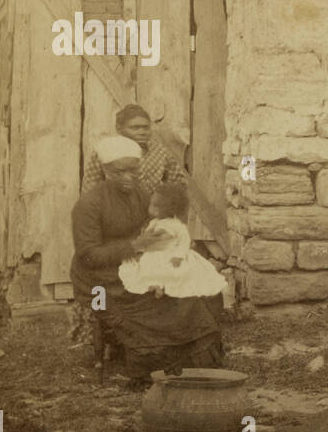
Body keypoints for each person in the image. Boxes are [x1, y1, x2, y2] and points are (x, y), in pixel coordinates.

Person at [70, 136, 223, 383]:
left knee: (186, 293)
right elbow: (88, 255)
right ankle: (153, 365)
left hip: (138, 264)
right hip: (98, 278)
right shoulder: (89, 204)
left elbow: (153, 225)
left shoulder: (140, 195)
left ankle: (188, 363)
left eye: (134, 170)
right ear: (106, 171)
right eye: (121, 171)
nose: (129, 177)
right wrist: (134, 247)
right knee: (147, 305)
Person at [119, 183, 227, 299]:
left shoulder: (176, 225)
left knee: (171, 273)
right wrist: (140, 249)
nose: (152, 209)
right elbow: (148, 239)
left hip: (170, 254)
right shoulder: (153, 223)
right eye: (152, 205)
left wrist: (178, 255)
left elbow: (184, 240)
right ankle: (153, 286)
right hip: (154, 254)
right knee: (148, 268)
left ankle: (164, 287)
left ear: (171, 209)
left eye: (158, 207)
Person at [81, 103, 187, 197]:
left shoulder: (160, 152)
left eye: (146, 128)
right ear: (119, 129)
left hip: (150, 213)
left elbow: (177, 184)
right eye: (135, 128)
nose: (142, 132)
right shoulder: (105, 151)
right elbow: (90, 187)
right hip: (113, 213)